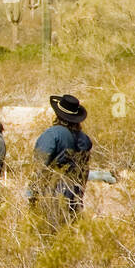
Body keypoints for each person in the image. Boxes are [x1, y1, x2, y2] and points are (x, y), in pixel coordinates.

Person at [29, 93, 93, 229]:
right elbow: (85, 170)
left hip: (53, 192)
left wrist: (32, 194)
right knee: (69, 235)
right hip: (75, 194)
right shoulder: (85, 139)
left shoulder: (52, 134)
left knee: (49, 234)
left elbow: (39, 166)